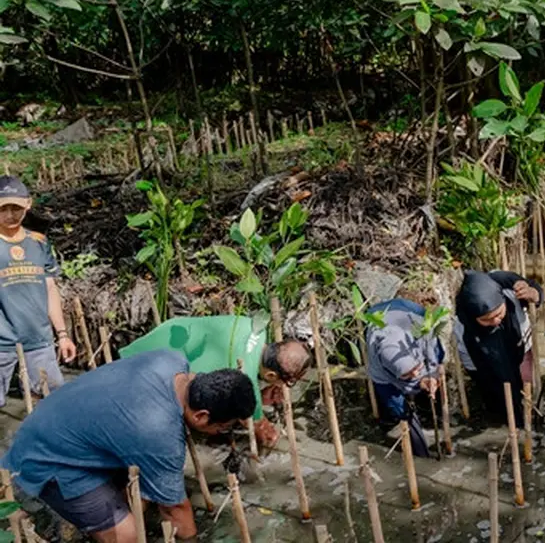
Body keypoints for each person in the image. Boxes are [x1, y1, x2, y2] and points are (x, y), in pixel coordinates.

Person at [1, 350, 255, 542]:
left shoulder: (171, 359)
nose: (223, 433)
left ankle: (91, 515)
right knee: (129, 536)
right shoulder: (158, 433)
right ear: (200, 416)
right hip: (51, 460)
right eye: (222, 427)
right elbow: (175, 509)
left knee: (141, 498)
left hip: (55, 424)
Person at [120, 314, 312, 449]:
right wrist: (269, 437)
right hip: (146, 370)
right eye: (286, 382)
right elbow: (258, 425)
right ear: (271, 376)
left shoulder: (256, 328)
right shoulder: (243, 374)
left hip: (170, 336)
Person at [0, 175, 76, 401]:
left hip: (38, 341)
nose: (10, 215)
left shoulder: (39, 243)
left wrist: (62, 335)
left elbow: (50, 289)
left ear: (28, 204)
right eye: (4, 209)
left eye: (16, 208)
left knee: (53, 403)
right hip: (1, 344)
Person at [454, 269, 544, 426]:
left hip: (520, 347)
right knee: (498, 401)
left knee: (527, 390)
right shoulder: (462, 325)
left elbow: (536, 293)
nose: (496, 321)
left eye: (499, 313)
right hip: (488, 360)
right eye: (486, 319)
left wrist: (534, 294)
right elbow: (471, 363)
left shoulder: (510, 292)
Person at [366, 296, 447, 458]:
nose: (415, 374)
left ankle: (430, 408)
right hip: (377, 315)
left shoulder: (423, 334)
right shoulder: (377, 363)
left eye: (416, 369)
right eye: (407, 374)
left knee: (437, 357)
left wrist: (431, 378)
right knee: (397, 408)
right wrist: (402, 412)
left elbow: (433, 361)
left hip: (409, 311)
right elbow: (386, 387)